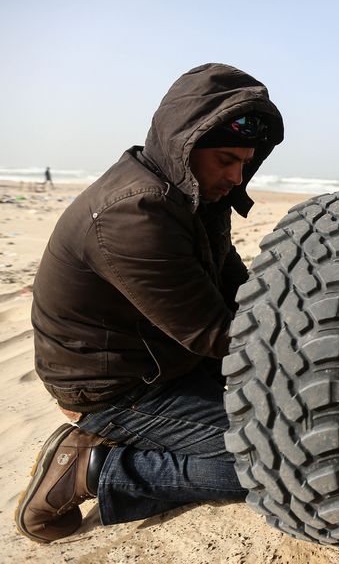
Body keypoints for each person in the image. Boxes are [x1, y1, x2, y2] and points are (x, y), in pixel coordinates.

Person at [15, 63, 284, 543]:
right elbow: (215, 334)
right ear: (185, 145)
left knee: (302, 416)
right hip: (116, 387)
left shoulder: (195, 196)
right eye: (226, 159)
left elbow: (236, 290)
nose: (236, 176)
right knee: (283, 461)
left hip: (162, 358)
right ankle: (95, 468)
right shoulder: (134, 214)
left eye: (245, 162)